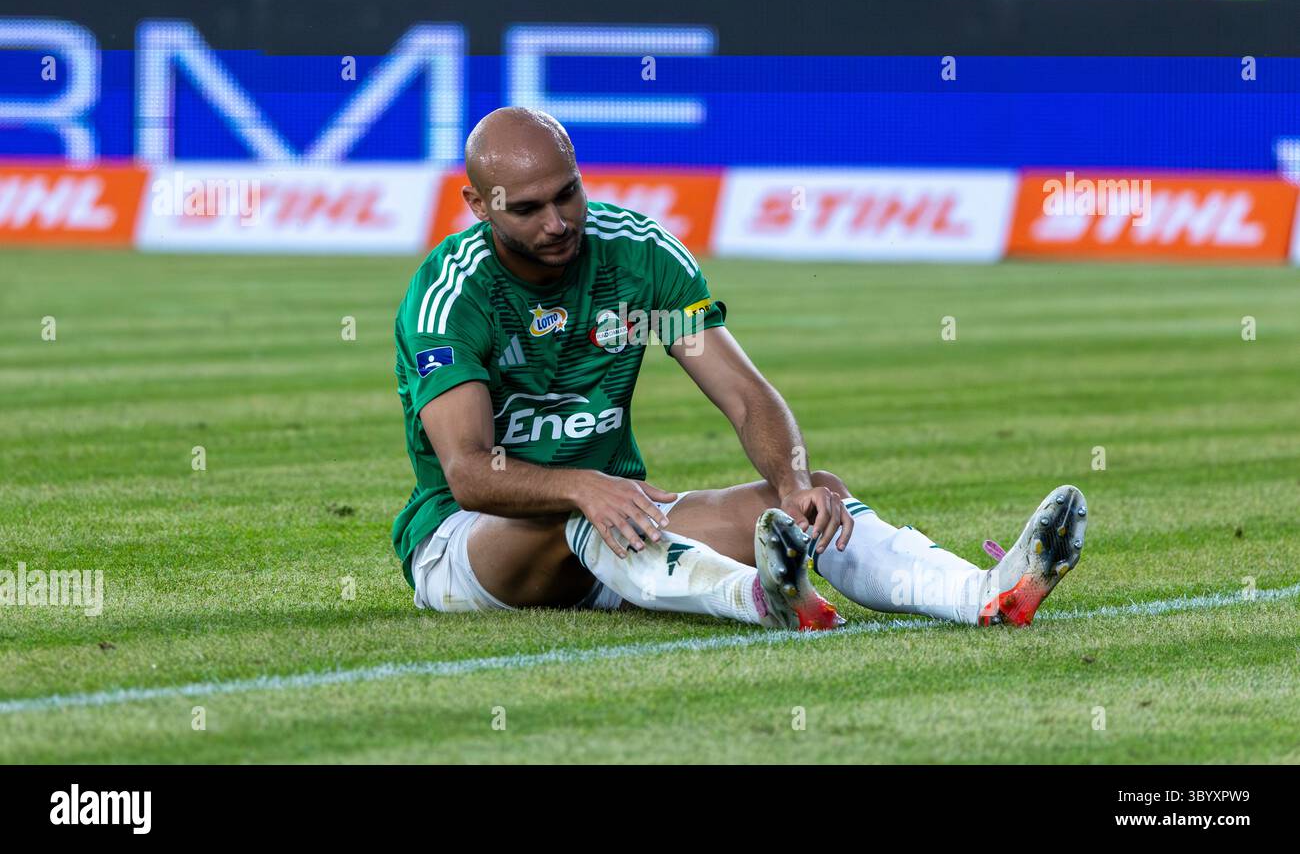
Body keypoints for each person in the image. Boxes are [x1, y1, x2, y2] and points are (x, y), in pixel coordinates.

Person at [391, 107, 1086, 630]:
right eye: (530, 207)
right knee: (574, 515)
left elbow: (746, 397)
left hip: (623, 528)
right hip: (468, 548)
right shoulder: (450, 294)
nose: (558, 222)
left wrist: (791, 480)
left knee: (812, 501)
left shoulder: (638, 258)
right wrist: (581, 485)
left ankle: (984, 594)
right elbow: (470, 472)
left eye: (568, 194)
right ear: (479, 207)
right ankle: (760, 599)